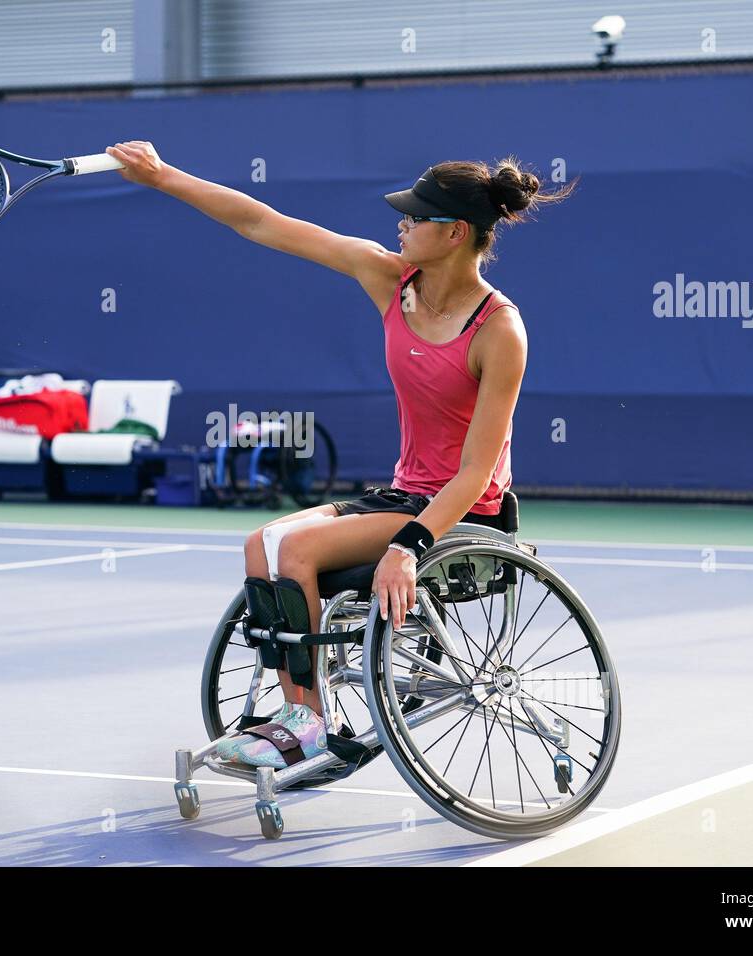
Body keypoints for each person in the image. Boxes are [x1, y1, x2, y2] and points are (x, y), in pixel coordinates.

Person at [107, 141, 574, 769]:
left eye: (416, 218)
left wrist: (409, 548)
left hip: (464, 510)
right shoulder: (388, 277)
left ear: (456, 232)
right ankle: (300, 713)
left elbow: (476, 473)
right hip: (401, 493)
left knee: (296, 549)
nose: (401, 226)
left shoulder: (499, 331)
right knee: (261, 544)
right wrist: (163, 177)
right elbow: (263, 223)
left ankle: (305, 725)